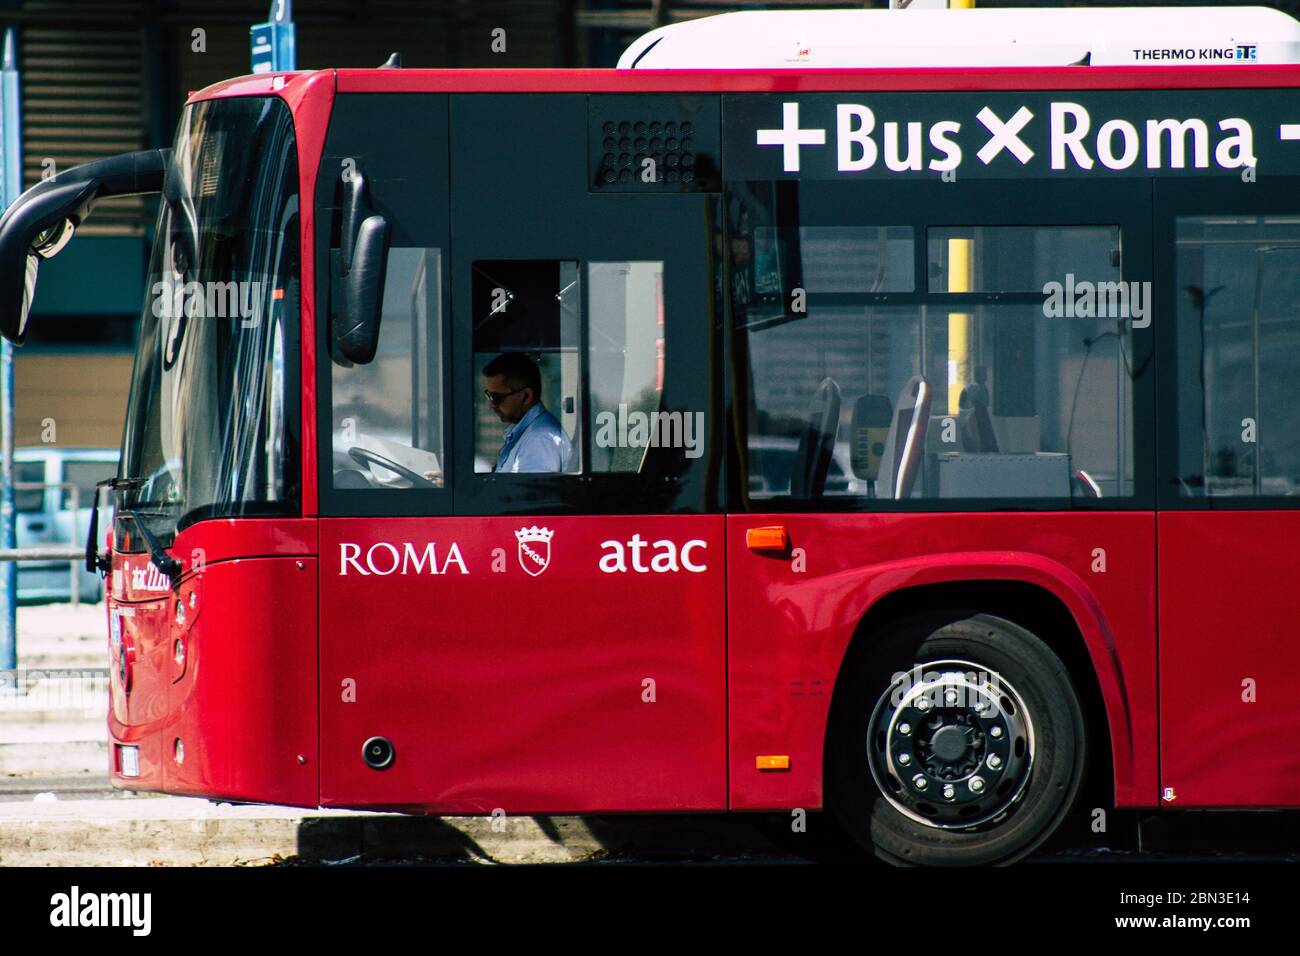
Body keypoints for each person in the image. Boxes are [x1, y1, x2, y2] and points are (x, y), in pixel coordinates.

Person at [482, 352, 571, 473]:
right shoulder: (530, 434)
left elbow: (528, 491)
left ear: (526, 396)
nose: (491, 404)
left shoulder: (538, 441)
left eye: (496, 397)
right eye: (489, 395)